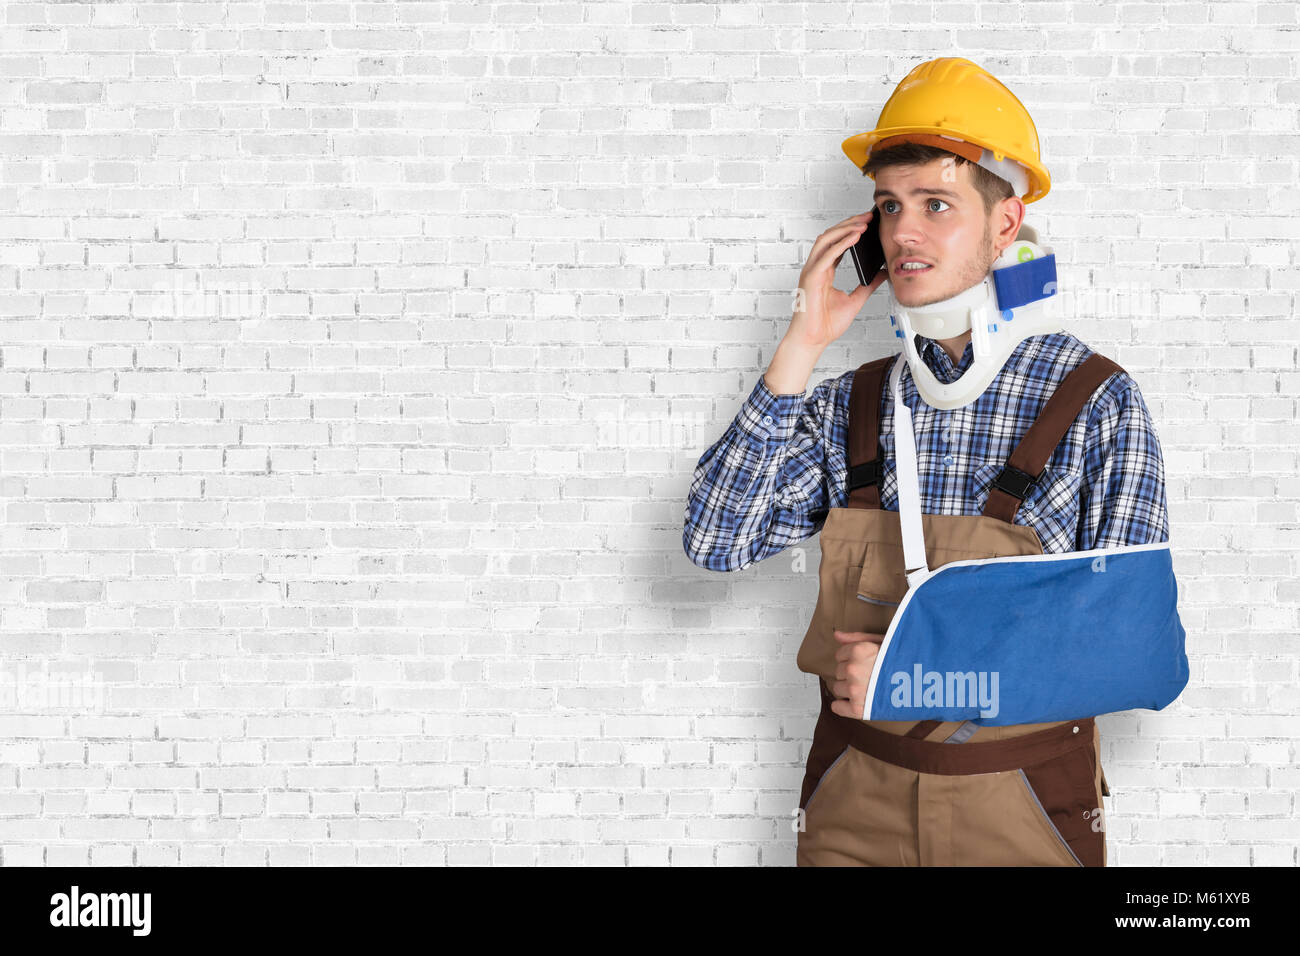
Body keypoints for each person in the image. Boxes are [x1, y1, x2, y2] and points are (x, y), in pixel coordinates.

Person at [682, 58, 1179, 866]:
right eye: (888, 206)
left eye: (936, 205)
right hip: (852, 810)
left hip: (1023, 814)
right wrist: (802, 344)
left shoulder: (1095, 402)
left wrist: (915, 675)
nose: (902, 231)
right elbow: (714, 541)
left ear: (1006, 223)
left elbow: (1136, 655)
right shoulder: (853, 405)